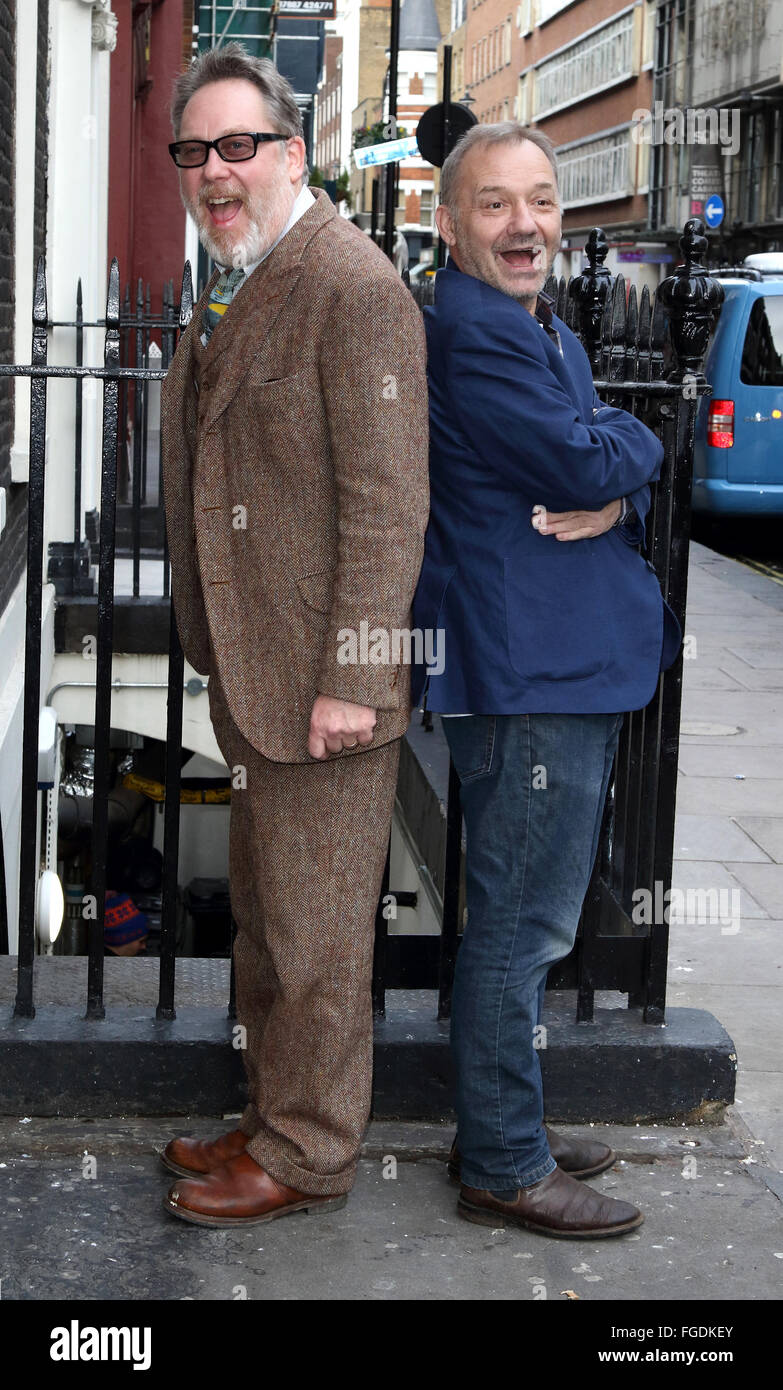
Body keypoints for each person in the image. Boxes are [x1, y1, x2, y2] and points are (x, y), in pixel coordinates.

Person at [158, 44, 429, 1227]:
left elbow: (387, 499)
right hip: (252, 664)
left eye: (237, 146)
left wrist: (356, 678)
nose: (215, 172)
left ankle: (310, 1152)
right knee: (268, 927)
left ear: (291, 152)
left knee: (318, 942)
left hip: (326, 686)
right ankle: (275, 1114)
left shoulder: (352, 284)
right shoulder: (234, 271)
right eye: (193, 151)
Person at [411, 122, 681, 1239]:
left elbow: (591, 457)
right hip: (531, 673)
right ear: (449, 222)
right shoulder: (478, 335)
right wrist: (639, 452)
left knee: (529, 923)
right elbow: (580, 456)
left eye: (542, 202)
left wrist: (620, 486)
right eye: (495, 204)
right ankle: (506, 1164)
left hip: (562, 664)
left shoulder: (535, 323)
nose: (525, 226)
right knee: (521, 930)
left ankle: (500, 1117)